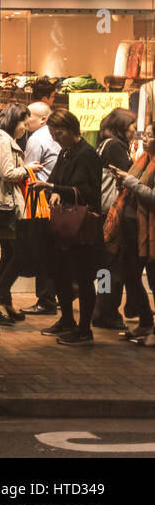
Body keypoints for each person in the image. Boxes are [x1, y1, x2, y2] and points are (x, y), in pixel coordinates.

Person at [41, 109, 103, 346]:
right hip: (65, 225)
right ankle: (67, 320)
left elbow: (85, 192)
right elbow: (60, 183)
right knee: (60, 273)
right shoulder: (65, 153)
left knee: (84, 278)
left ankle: (84, 329)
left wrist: (53, 186)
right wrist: (55, 191)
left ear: (71, 129)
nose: (55, 135)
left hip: (82, 226)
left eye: (59, 131)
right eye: (52, 131)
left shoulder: (85, 154)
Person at [93, 108, 137, 330]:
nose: (134, 131)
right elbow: (129, 178)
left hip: (103, 212)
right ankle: (106, 311)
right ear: (121, 125)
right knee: (113, 265)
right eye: (132, 127)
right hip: (113, 212)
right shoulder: (116, 146)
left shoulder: (104, 142)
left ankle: (101, 309)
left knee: (105, 265)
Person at [112, 120, 155, 345]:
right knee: (130, 275)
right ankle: (146, 322)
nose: (144, 138)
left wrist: (129, 181)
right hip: (132, 228)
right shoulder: (142, 159)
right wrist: (123, 180)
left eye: (150, 135)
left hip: (149, 230)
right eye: (144, 134)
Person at [22, 101, 62, 315]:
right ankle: (52, 296)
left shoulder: (37, 139)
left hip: (41, 196)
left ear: (44, 119)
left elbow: (28, 173)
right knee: (52, 248)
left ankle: (46, 299)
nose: (27, 121)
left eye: (30, 117)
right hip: (53, 195)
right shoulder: (52, 136)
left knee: (42, 248)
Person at [0, 104, 34, 325]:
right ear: (14, 121)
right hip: (5, 206)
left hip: (8, 204)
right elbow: (7, 173)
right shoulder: (3, 141)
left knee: (11, 254)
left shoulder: (7, 140)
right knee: (17, 254)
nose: (25, 128)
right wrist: (30, 169)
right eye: (24, 123)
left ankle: (3, 300)